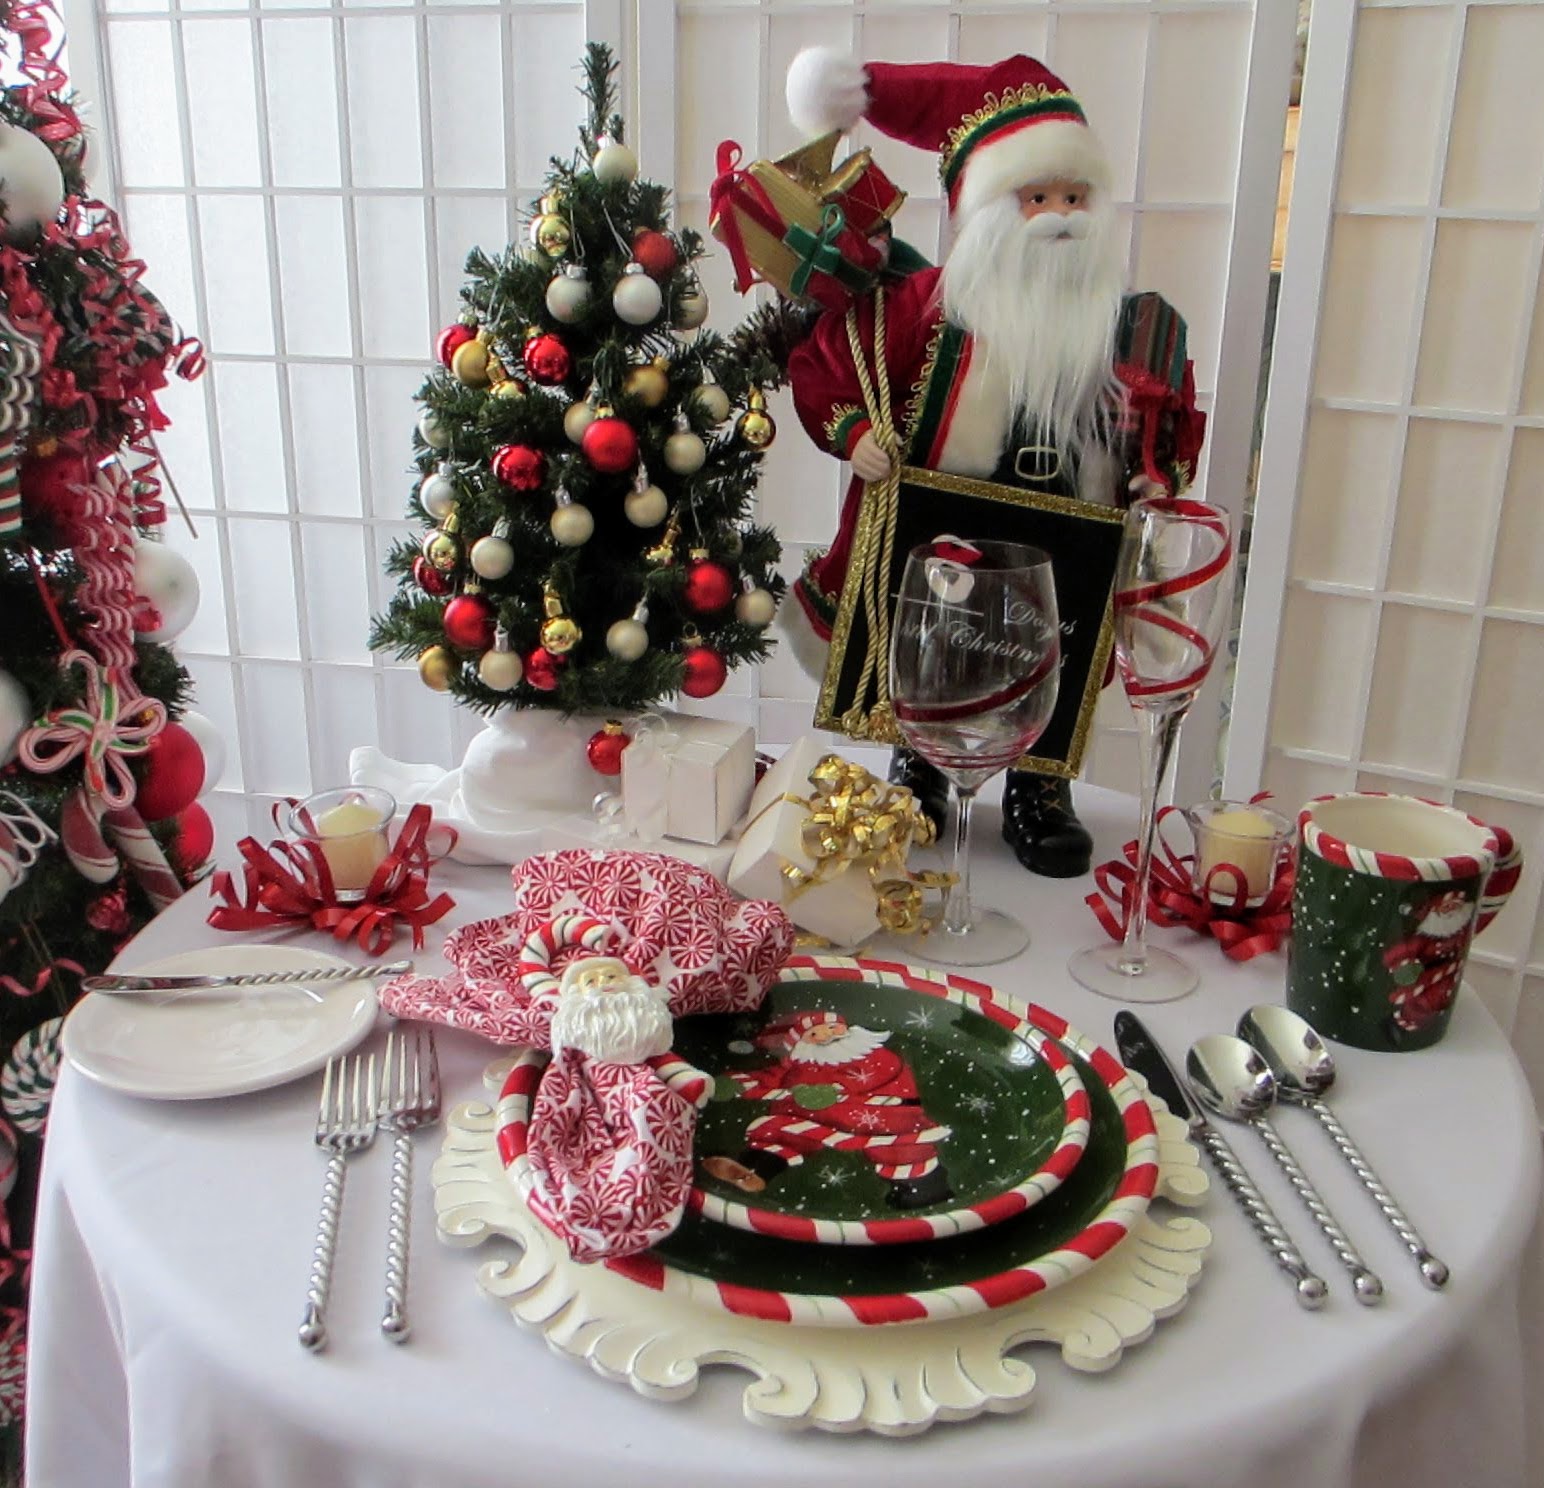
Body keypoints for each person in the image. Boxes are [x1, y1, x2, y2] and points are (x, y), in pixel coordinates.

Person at [782, 49, 1206, 877]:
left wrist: (1158, 476)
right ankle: (918, 771)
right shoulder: (923, 309)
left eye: (1073, 198)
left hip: (1064, 538)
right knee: (933, 648)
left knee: (1050, 650)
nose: (1056, 218)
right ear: (984, 211)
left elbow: (1166, 420)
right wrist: (853, 430)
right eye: (1034, 197)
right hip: (943, 533)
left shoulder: (1125, 328)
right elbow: (829, 357)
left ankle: (1038, 788)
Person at [701, 1009, 953, 1210]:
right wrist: (739, 1083)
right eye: (814, 1034)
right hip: (813, 1115)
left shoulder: (872, 1054)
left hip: (879, 1115)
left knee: (903, 1149)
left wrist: (836, 1088)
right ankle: (752, 1171)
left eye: (833, 1027)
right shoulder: (800, 1065)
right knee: (780, 1130)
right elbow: (771, 1077)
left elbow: (882, 1072)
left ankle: (923, 1193)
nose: (826, 1035)